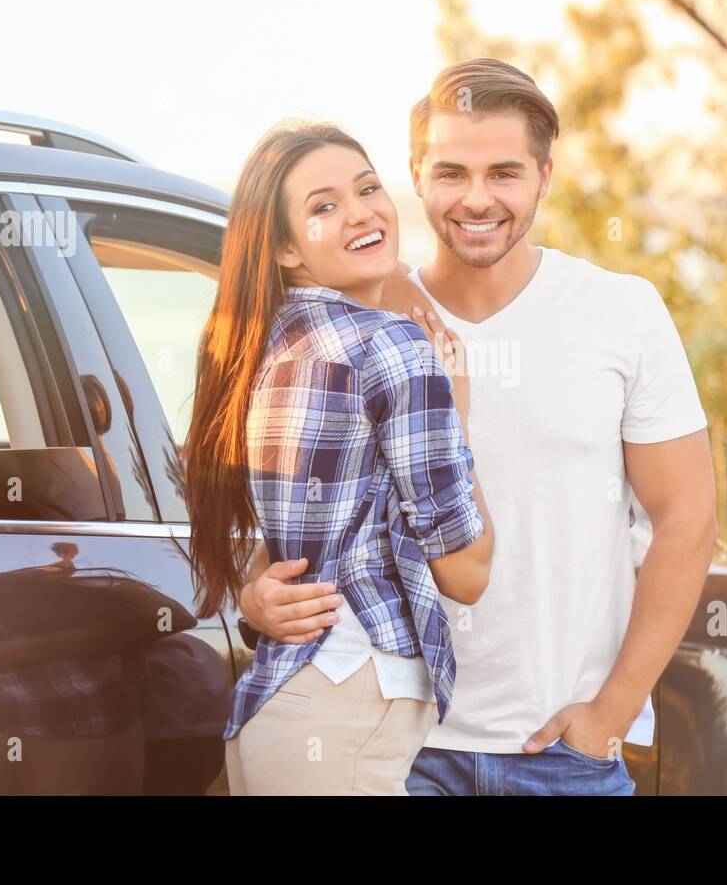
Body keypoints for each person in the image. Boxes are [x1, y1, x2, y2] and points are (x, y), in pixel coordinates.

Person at [241, 59, 717, 796]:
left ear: (545, 176)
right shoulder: (365, 322)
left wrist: (609, 716)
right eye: (452, 173)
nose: (476, 199)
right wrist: (255, 592)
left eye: (504, 173)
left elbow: (686, 518)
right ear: (416, 173)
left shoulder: (621, 312)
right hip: (395, 742)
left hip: (560, 752)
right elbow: (303, 500)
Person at [183, 121, 494, 795]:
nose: (359, 212)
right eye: (324, 207)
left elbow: (316, 528)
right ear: (287, 250)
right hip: (347, 702)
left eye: (367, 188)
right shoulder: (394, 349)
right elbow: (466, 573)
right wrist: (454, 412)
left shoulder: (262, 350)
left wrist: (253, 592)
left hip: (282, 710)